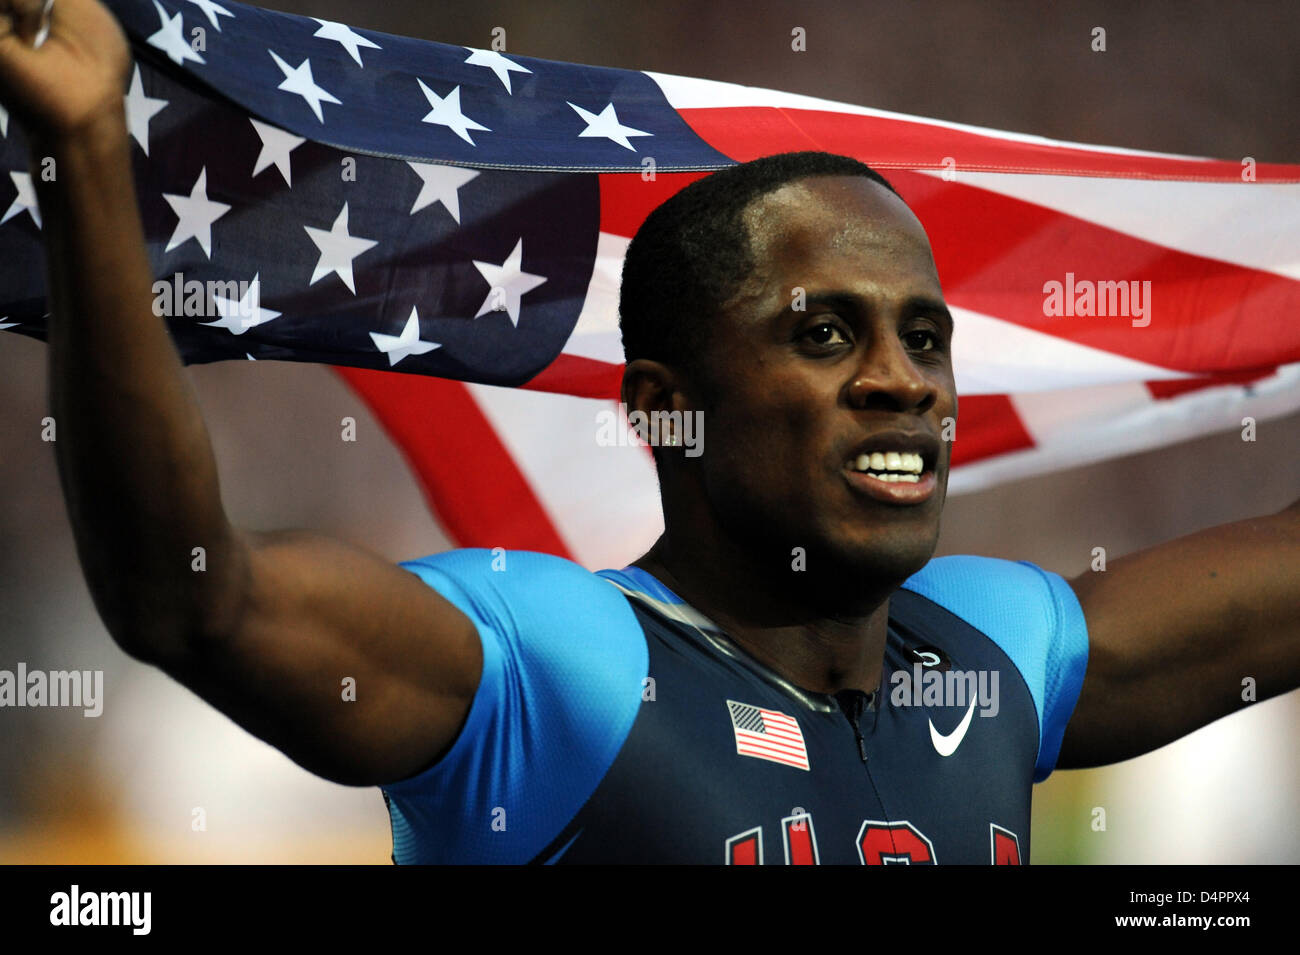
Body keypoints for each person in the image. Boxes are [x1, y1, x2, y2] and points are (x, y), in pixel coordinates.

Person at [1, 0, 1296, 864]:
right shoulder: (559, 667)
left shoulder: (997, 647)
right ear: (664, 404)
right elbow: (193, 602)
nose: (906, 382)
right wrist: (86, 161)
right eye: (826, 334)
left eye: (926, 336)